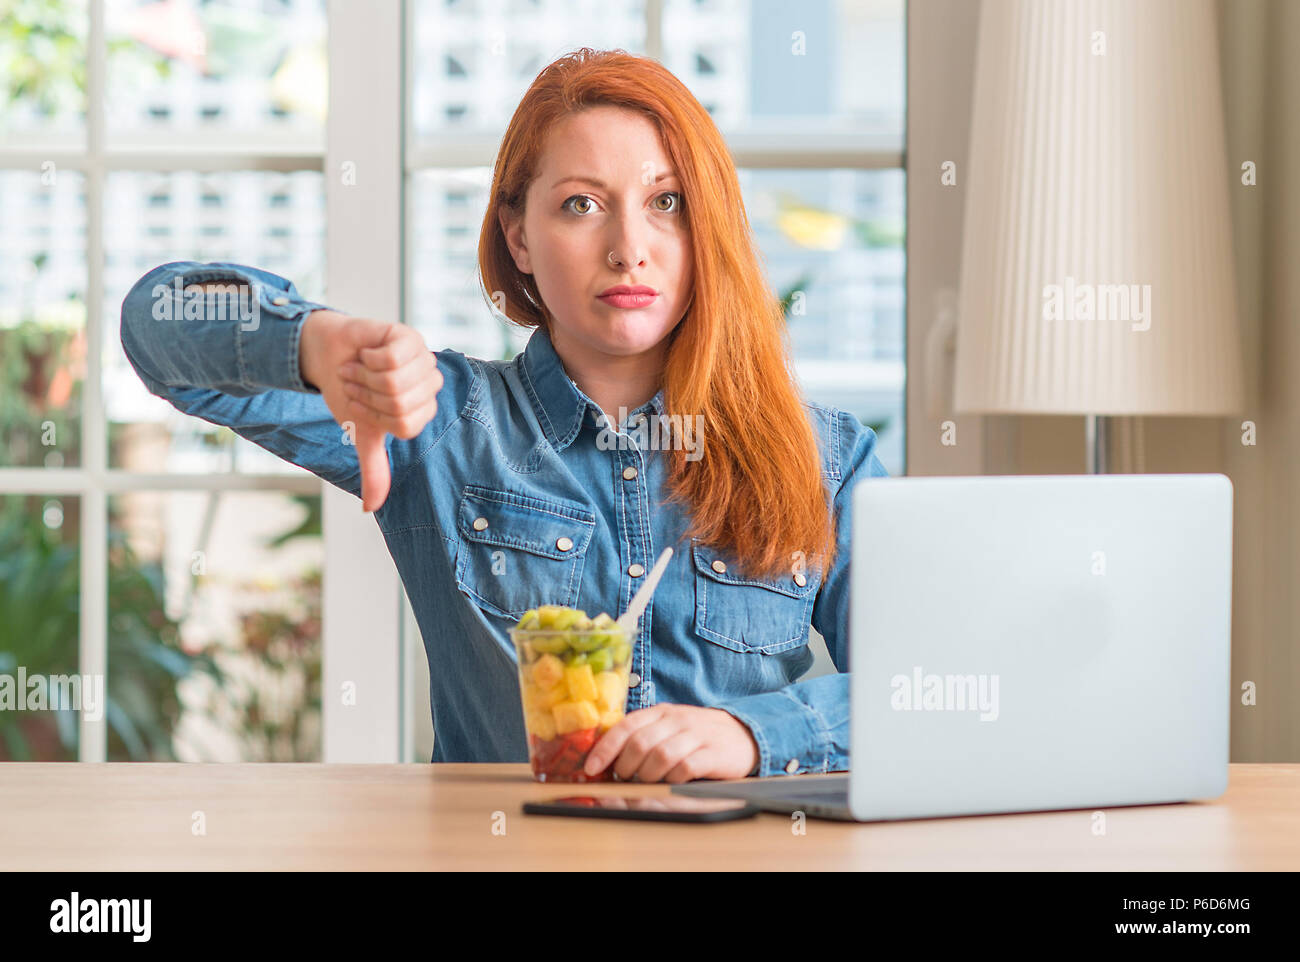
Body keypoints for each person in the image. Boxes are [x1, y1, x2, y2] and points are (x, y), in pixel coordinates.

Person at [120, 47, 889, 783]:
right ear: (518, 236)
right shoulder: (435, 423)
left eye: (667, 204)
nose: (629, 249)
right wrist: (311, 344)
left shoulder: (826, 458)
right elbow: (155, 324)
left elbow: (926, 688)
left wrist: (753, 735)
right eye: (581, 205)